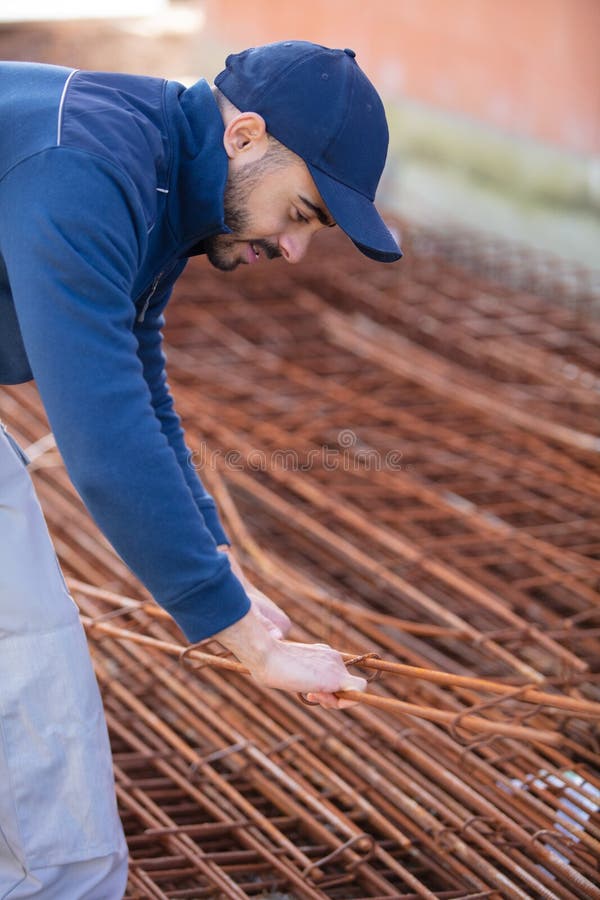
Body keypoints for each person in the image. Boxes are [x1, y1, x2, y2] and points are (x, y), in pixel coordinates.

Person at [0, 41, 402, 898]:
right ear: (246, 135)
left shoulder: (153, 170)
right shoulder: (88, 169)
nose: (294, 251)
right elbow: (102, 434)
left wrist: (218, 570)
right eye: (302, 214)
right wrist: (245, 641)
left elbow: (138, 376)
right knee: (25, 671)